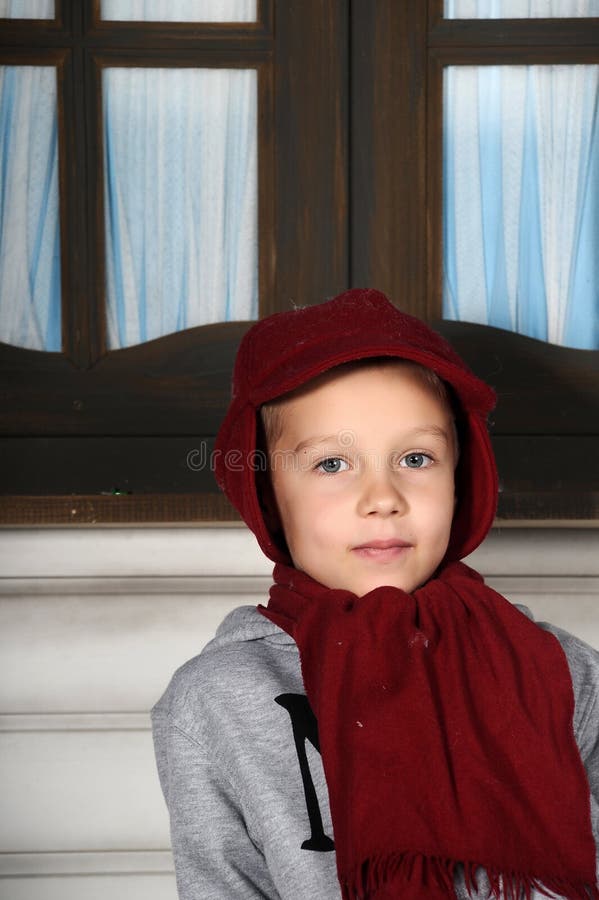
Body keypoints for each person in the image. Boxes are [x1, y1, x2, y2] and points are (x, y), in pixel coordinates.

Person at [152, 288, 599, 900]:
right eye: (332, 465)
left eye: (416, 457)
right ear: (267, 495)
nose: (382, 497)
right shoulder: (220, 698)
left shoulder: (561, 672)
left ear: (462, 478)